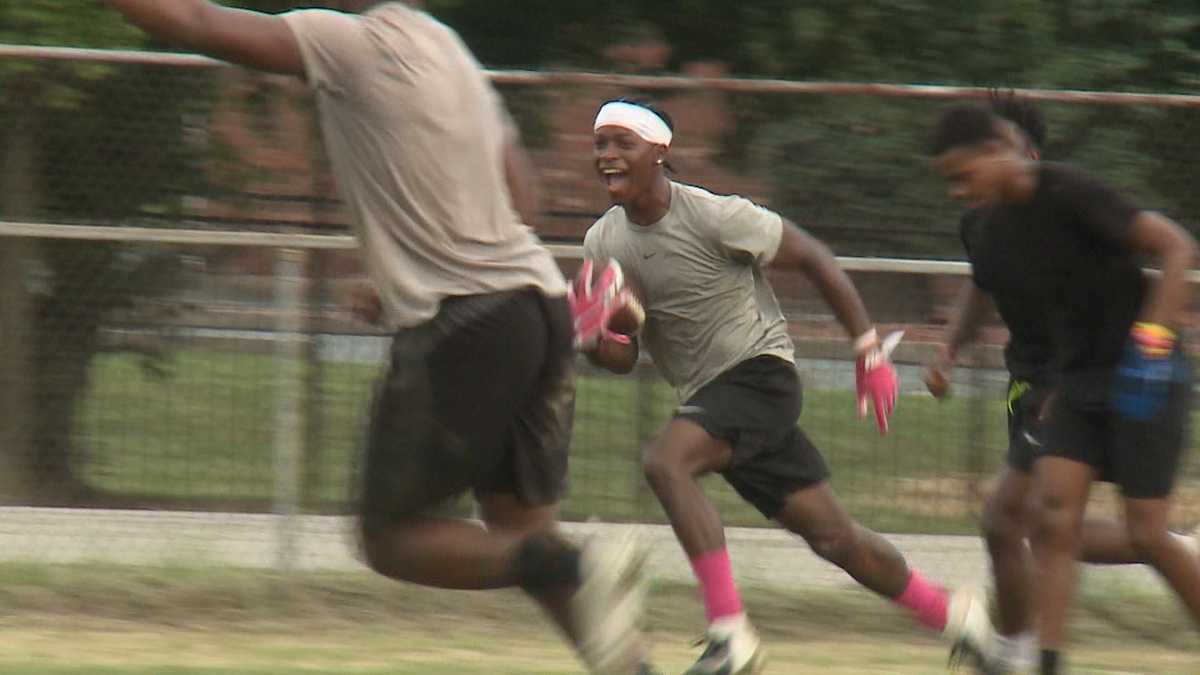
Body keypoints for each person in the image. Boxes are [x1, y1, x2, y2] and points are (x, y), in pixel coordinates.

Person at [102, 2, 654, 673]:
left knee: (392, 536)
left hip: (468, 324)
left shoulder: (350, 42)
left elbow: (197, 23)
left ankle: (577, 562)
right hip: (539, 309)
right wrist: (406, 262)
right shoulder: (446, 48)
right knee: (521, 540)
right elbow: (524, 197)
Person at [578, 97, 994, 675]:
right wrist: (599, 335)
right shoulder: (602, 243)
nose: (608, 154)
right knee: (835, 539)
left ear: (661, 154)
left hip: (759, 375)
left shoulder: (715, 216)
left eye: (624, 143)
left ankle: (731, 633)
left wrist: (868, 349)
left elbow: (815, 257)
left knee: (665, 462)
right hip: (711, 402)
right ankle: (958, 617)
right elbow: (621, 358)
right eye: (601, 143)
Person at [925, 93, 1200, 673]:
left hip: (1144, 371)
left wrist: (1150, 346)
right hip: (1073, 381)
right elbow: (992, 293)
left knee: (1146, 534)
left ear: (1002, 148)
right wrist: (956, 353)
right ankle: (1042, 662)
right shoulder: (990, 229)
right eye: (948, 181)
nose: (954, 192)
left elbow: (1177, 246)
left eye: (962, 176)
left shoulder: (1069, 192)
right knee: (1050, 523)